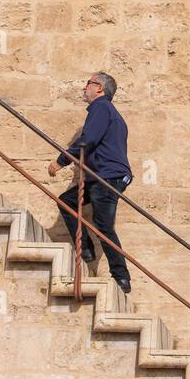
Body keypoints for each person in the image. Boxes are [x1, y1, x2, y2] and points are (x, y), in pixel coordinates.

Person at [48, 72, 134, 293]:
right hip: (102, 176)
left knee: (103, 225)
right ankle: (85, 250)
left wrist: (61, 161)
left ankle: (121, 277)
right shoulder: (107, 112)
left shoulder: (101, 108)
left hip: (108, 176)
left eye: (89, 83)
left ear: (100, 89)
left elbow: (88, 140)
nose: (85, 87)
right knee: (67, 201)